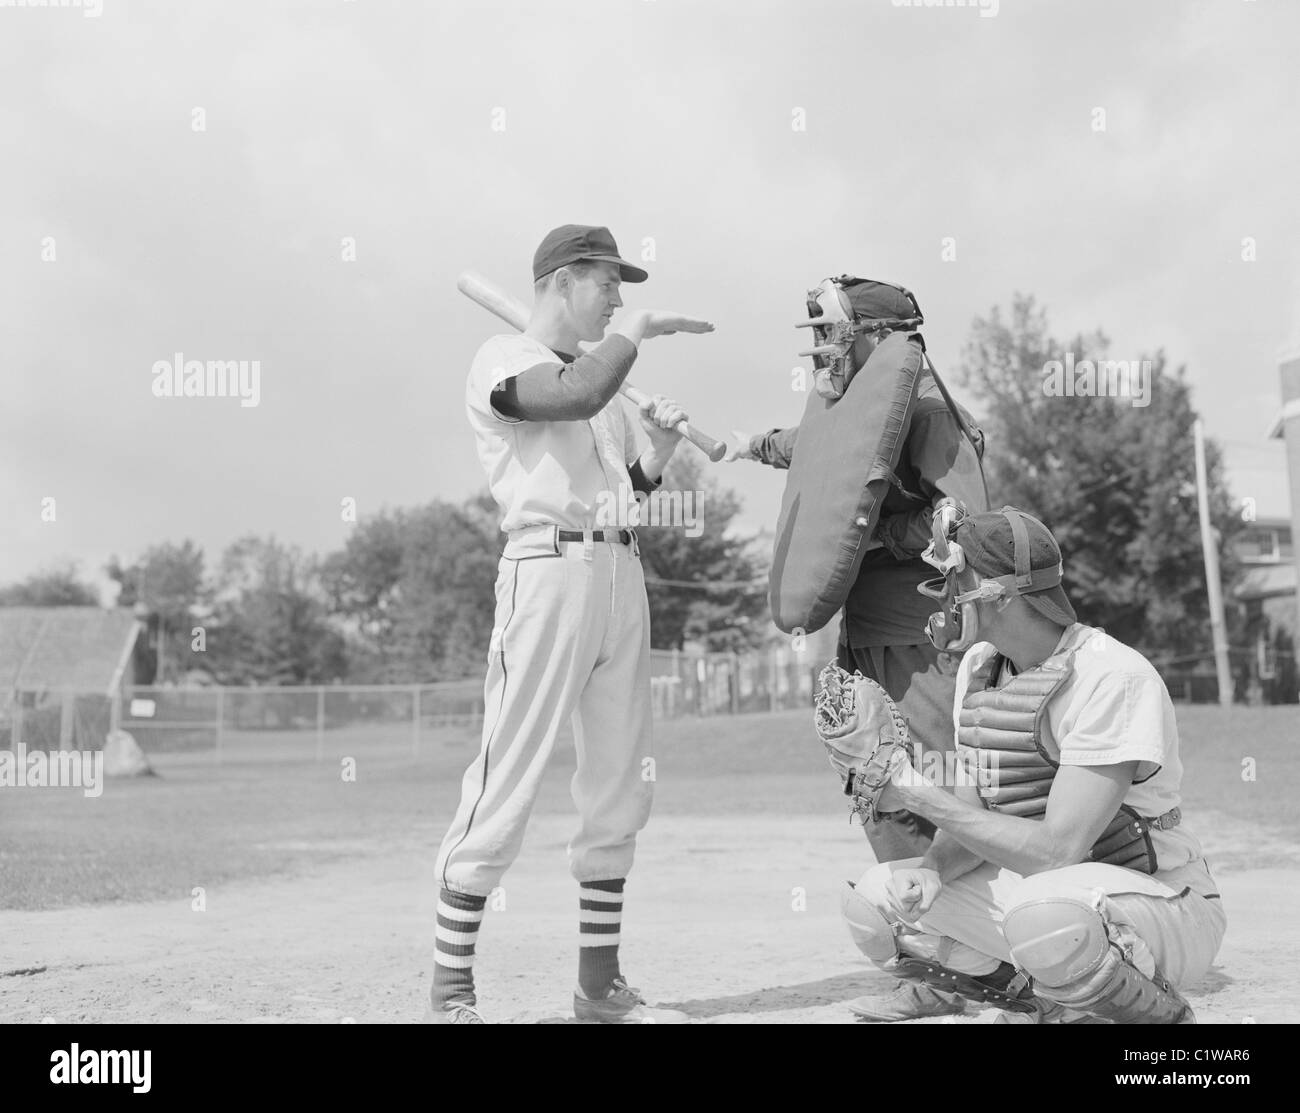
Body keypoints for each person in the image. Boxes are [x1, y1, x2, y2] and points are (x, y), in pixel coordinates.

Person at [427, 224, 713, 1024]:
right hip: (544, 570)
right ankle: (450, 990)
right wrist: (633, 336)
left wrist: (655, 450)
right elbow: (573, 393)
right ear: (558, 281)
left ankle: (599, 986)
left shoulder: (603, 392)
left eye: (622, 289)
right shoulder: (503, 358)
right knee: (506, 776)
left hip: (620, 569)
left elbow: (623, 491)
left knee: (619, 782)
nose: (620, 297)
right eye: (606, 282)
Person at [840, 506, 1227, 1023]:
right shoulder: (978, 670)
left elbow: (1059, 850)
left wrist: (913, 790)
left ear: (997, 592)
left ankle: (1159, 1023)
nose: (946, 592)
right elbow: (973, 815)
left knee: (1046, 911)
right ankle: (1039, 1003)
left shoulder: (1110, 675)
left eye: (956, 577)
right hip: (1061, 901)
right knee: (877, 904)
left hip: (1163, 904)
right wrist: (933, 870)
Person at [727, 276, 985, 1021]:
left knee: (939, 790)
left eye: (837, 332)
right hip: (865, 630)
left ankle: (975, 963)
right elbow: (830, 459)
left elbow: (958, 524)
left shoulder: (932, 412)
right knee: (881, 790)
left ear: (877, 335)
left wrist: (877, 536)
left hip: (923, 631)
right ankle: (929, 961)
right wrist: (748, 445)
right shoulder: (859, 409)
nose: (825, 349)